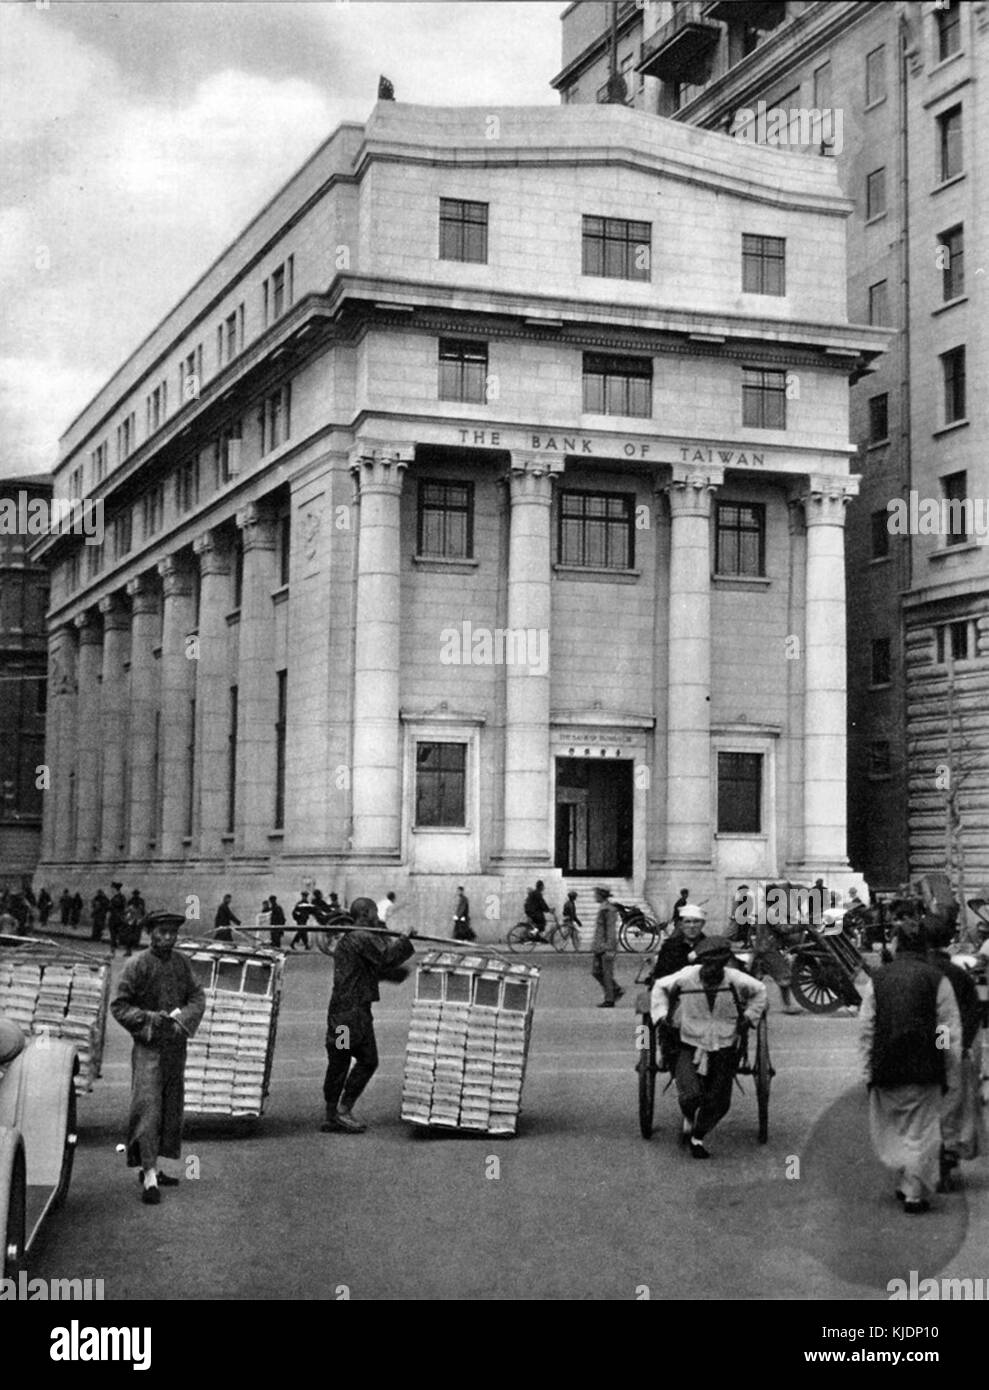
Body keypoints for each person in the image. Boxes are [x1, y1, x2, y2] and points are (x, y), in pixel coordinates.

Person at [858, 917, 961, 1214]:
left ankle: (907, 1183)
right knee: (921, 1131)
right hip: (925, 1068)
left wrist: (867, 1068)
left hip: (886, 1065)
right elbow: (946, 1029)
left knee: (894, 1129)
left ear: (896, 945)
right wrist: (943, 1059)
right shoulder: (937, 979)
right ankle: (914, 1192)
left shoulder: (878, 979)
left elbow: (867, 1027)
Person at [110, 912, 206, 1205]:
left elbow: (197, 997)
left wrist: (182, 1021)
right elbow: (119, 1005)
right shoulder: (136, 964)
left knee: (168, 1108)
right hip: (148, 1047)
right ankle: (149, 1176)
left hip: (175, 1047)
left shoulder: (181, 963)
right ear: (149, 933)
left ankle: (153, 1166)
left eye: (172, 933)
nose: (167, 938)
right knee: (148, 1107)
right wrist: (150, 1020)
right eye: (161, 932)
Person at [652, 935, 768, 1158]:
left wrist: (749, 1016)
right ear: (701, 963)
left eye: (717, 964)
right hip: (688, 1041)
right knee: (690, 1095)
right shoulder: (687, 977)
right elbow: (658, 987)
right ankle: (688, 1115)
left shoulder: (735, 979)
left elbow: (760, 991)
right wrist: (661, 1016)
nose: (711, 969)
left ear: (725, 963)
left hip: (724, 1044)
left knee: (720, 1101)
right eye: (707, 964)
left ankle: (697, 1137)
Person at [321, 897, 415, 1133]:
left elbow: (372, 969)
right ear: (365, 913)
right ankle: (340, 1112)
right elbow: (387, 957)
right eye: (374, 912)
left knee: (342, 1060)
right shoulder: (361, 937)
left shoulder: (350, 940)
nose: (378, 916)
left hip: (347, 1013)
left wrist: (394, 975)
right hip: (349, 1016)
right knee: (361, 1059)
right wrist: (404, 939)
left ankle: (334, 1113)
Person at [926, 920, 983, 1189]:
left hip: (922, 1048)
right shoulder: (957, 974)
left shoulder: (922, 971)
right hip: (951, 1044)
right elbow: (971, 1013)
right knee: (951, 1108)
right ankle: (946, 1161)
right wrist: (961, 1048)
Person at [649, 903, 707, 983]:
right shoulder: (669, 947)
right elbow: (660, 976)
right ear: (680, 925)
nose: (692, 926)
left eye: (696, 922)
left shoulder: (711, 946)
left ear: (703, 923)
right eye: (687, 922)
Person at [591, 886, 623, 1008]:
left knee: (607, 973)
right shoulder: (603, 908)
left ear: (601, 895)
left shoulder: (608, 910)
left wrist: (609, 947)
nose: (594, 896)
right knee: (596, 971)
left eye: (596, 894)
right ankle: (615, 989)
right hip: (600, 946)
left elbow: (610, 930)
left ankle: (609, 999)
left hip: (606, 946)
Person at [123, 890, 146, 956]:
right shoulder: (140, 902)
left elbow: (126, 911)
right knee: (134, 935)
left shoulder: (131, 902)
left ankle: (129, 949)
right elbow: (143, 912)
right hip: (135, 921)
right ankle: (132, 947)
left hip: (133, 921)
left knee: (131, 936)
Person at [107, 882, 127, 954]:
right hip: (116, 918)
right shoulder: (119, 897)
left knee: (114, 934)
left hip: (116, 918)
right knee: (114, 934)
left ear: (115, 889)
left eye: (112, 889)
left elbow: (113, 907)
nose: (111, 890)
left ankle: (114, 949)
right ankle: (113, 949)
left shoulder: (118, 898)